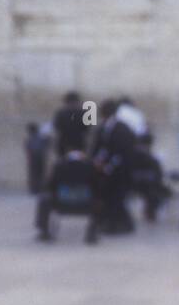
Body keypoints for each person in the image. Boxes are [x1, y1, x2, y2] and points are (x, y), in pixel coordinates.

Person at [35, 149, 101, 244]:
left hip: (62, 204)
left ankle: (44, 231)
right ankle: (92, 233)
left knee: (44, 199)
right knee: (99, 200)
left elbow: (50, 186)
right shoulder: (90, 167)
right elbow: (96, 186)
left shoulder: (59, 167)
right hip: (85, 205)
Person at [91, 99, 136, 234]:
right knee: (109, 197)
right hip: (108, 170)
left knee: (117, 198)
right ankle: (109, 222)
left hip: (119, 170)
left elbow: (121, 153)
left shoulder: (122, 129)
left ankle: (119, 224)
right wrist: (97, 162)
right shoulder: (104, 128)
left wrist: (107, 167)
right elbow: (101, 148)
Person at [52, 91, 88, 156]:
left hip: (63, 144)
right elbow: (87, 129)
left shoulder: (61, 113)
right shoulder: (83, 113)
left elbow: (56, 126)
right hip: (79, 143)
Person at [24, 122, 50, 195]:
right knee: (41, 174)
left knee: (34, 174)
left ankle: (34, 189)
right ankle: (40, 188)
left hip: (33, 159)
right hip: (40, 158)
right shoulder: (41, 137)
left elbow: (27, 148)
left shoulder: (30, 139)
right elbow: (48, 144)